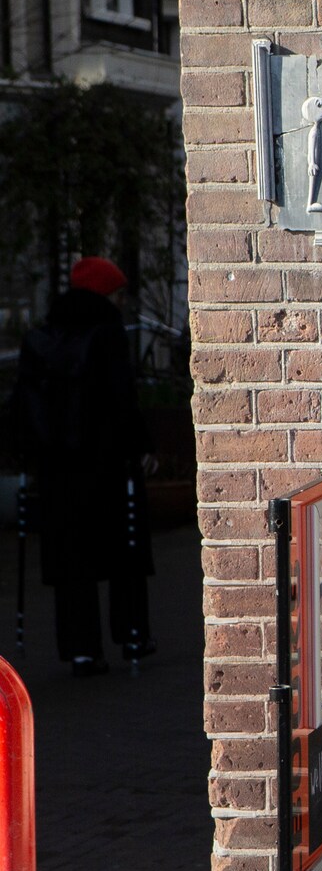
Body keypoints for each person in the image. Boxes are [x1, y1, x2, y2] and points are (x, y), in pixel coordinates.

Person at [8, 257, 152, 677]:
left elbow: (22, 402)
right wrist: (140, 444)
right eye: (119, 292)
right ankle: (132, 634)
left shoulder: (41, 337)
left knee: (72, 558)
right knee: (124, 549)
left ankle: (81, 649)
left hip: (57, 468)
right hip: (105, 463)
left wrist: (25, 453)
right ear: (107, 294)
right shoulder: (107, 334)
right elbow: (121, 396)